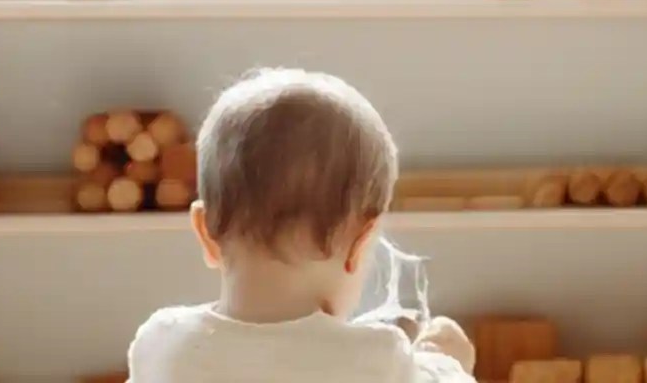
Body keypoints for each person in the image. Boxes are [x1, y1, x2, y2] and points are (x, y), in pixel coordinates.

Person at [128, 68, 476, 382]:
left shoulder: (160, 344)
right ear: (359, 243)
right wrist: (447, 360)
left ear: (206, 233)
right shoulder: (378, 361)